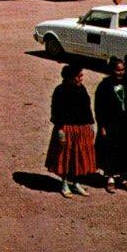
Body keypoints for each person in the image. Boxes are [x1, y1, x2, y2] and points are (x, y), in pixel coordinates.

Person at [45, 64, 97, 198]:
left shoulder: (81, 89)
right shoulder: (60, 91)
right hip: (67, 129)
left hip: (82, 128)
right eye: (79, 76)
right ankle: (64, 184)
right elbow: (56, 111)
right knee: (66, 157)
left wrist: (91, 124)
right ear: (71, 77)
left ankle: (76, 183)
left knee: (79, 157)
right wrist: (60, 129)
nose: (81, 78)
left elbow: (87, 108)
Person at [94, 57, 127, 193]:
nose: (120, 73)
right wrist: (102, 126)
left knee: (125, 151)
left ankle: (123, 178)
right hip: (111, 125)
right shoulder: (104, 86)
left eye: (122, 70)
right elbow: (99, 108)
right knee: (110, 150)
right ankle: (110, 178)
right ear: (112, 70)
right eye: (117, 70)